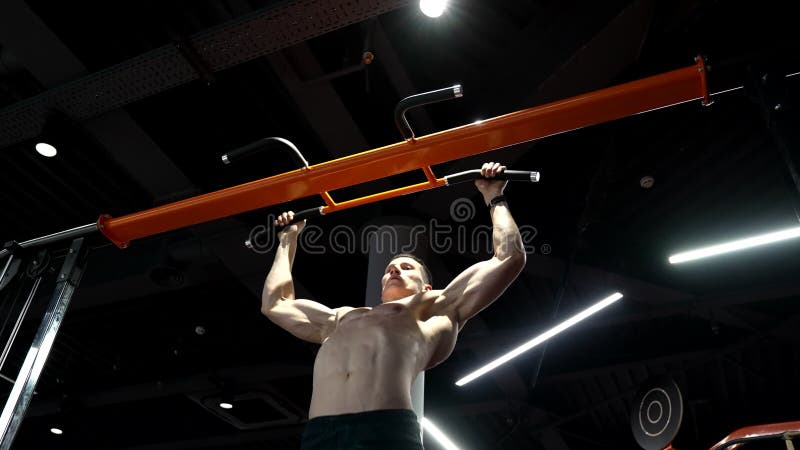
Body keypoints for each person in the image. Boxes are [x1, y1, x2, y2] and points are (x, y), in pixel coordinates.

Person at [261, 162, 526, 449]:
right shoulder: (340, 318)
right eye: (389, 268)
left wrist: (493, 196)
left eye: (406, 267)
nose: (395, 270)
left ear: (426, 286)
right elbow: (275, 303)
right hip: (319, 435)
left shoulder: (436, 308)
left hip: (383, 430)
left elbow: (508, 258)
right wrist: (288, 240)